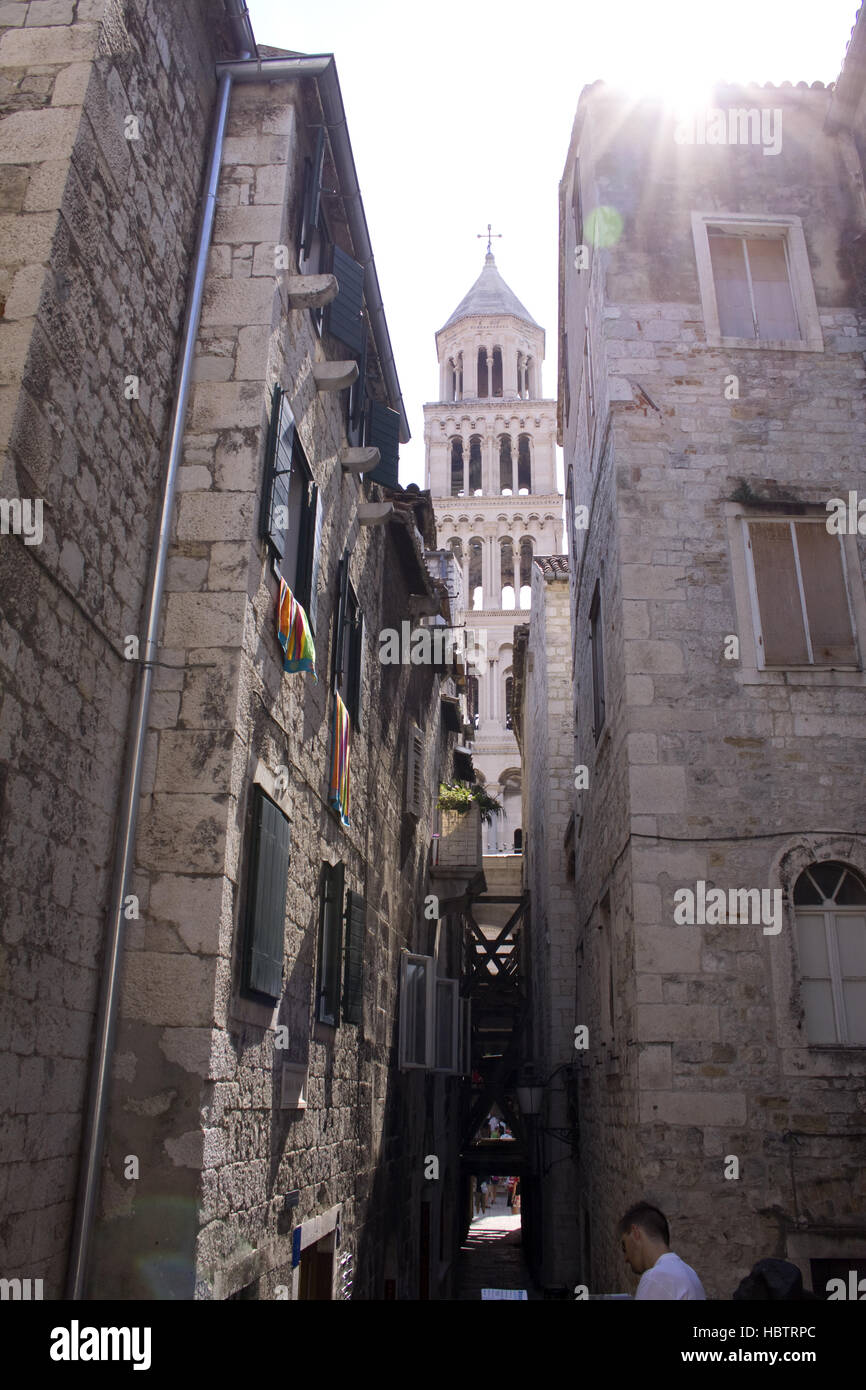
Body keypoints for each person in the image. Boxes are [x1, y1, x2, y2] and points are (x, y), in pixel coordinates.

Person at [618, 1203, 706, 1300]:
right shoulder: (689, 1272)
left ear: (635, 1233)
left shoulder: (656, 1277)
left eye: (624, 1247)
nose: (626, 1258)